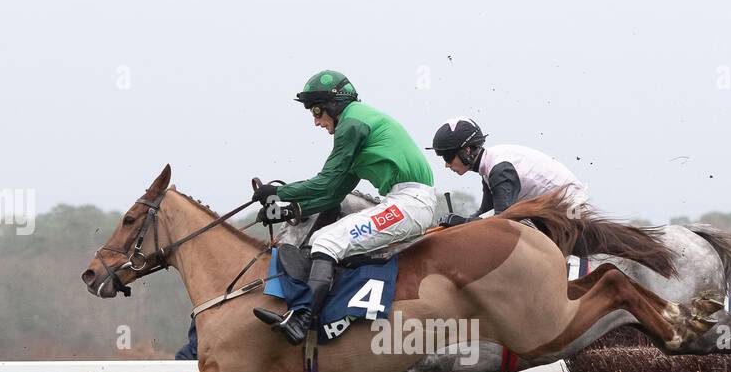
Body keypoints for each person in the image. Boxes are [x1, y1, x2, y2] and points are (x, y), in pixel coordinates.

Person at [252, 70, 437, 345]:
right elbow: (332, 193)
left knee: (327, 240)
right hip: (404, 200)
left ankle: (303, 318)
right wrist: (288, 210)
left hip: (411, 202)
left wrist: (279, 192)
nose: (315, 121)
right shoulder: (360, 122)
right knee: (319, 238)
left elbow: (324, 181)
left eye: (316, 110)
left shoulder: (352, 124)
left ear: (334, 103)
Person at [428, 117, 589, 224]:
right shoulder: (489, 168)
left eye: (447, 157)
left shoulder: (499, 170)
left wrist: (461, 222)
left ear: (468, 150)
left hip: (571, 211)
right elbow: (485, 212)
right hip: (552, 211)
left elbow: (502, 221)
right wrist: (458, 222)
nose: (446, 165)